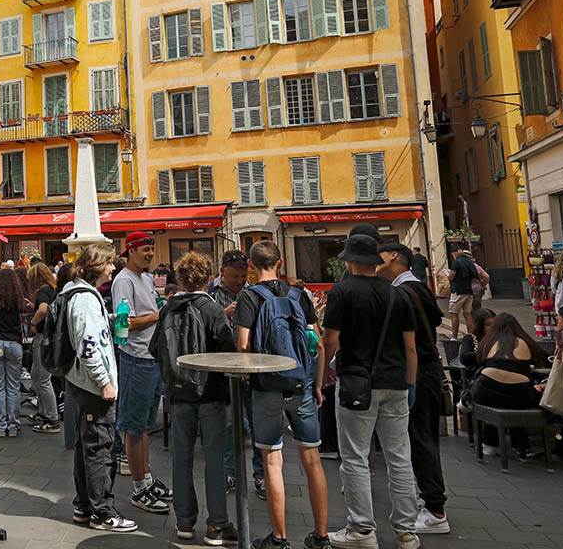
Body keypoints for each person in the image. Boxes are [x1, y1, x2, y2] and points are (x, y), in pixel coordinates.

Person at [322, 234, 420, 549]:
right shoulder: (398, 295)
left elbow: (331, 339)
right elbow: (411, 348)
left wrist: (324, 372)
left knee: (354, 457)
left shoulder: (343, 291)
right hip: (395, 384)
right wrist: (411, 382)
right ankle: (406, 531)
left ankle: (362, 530)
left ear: (350, 260)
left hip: (356, 383)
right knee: (399, 456)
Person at [236, 241, 327, 549]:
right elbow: (318, 342)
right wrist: (316, 384)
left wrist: (251, 381)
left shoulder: (249, 297)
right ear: (280, 263)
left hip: (267, 387)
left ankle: (279, 538)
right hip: (300, 385)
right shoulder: (299, 295)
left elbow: (245, 347)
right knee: (312, 458)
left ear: (251, 263)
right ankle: (321, 535)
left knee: (272, 461)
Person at [160, 251, 237, 546]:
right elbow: (227, 351)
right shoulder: (212, 308)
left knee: (182, 458)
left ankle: (184, 522)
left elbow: (158, 348)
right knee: (215, 458)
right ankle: (216, 524)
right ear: (207, 277)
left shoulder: (169, 309)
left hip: (179, 393)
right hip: (210, 393)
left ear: (180, 278)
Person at [63, 244, 136, 533]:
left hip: (83, 383)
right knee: (100, 448)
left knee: (87, 446)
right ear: (97, 266)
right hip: (93, 386)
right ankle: (103, 512)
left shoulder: (79, 293)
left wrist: (109, 320)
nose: (112, 268)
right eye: (109, 264)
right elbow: (88, 345)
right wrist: (104, 382)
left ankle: (84, 506)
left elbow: (88, 332)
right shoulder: (84, 299)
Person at [379, 242, 450, 535]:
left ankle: (435, 511)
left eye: (378, 255)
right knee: (424, 438)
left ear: (394, 256)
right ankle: (429, 500)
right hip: (428, 370)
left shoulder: (403, 291)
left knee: (420, 440)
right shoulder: (417, 288)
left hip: (417, 372)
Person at [110, 231, 170, 514]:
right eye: (144, 249)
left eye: (151, 249)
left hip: (151, 357)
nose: (149, 254)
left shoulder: (146, 278)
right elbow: (126, 323)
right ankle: (137, 487)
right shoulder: (123, 281)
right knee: (134, 427)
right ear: (130, 251)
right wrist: (159, 315)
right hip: (136, 358)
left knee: (145, 425)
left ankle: (145, 477)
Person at [471, 312, 549, 458]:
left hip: (486, 391)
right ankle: (521, 446)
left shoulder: (488, 342)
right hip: (519, 395)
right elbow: (542, 358)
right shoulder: (525, 342)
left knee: (490, 399)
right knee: (533, 394)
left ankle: (490, 444)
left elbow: (478, 362)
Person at [0, 268, 25, 438]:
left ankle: (0, 426)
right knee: (13, 386)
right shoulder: (18, 299)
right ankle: (13, 425)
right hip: (14, 343)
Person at [27, 262, 61, 433]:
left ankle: (52, 418)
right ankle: (43, 412)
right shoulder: (53, 289)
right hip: (51, 338)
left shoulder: (43, 291)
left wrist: (33, 323)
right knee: (36, 375)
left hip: (43, 338)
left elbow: (43, 309)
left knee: (42, 379)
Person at [446, 248, 477, 340]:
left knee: (453, 313)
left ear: (456, 254)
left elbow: (451, 278)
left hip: (458, 291)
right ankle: (471, 336)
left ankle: (454, 337)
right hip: (468, 290)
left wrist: (448, 275)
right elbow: (474, 276)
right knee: (468, 314)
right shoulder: (469, 262)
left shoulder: (456, 262)